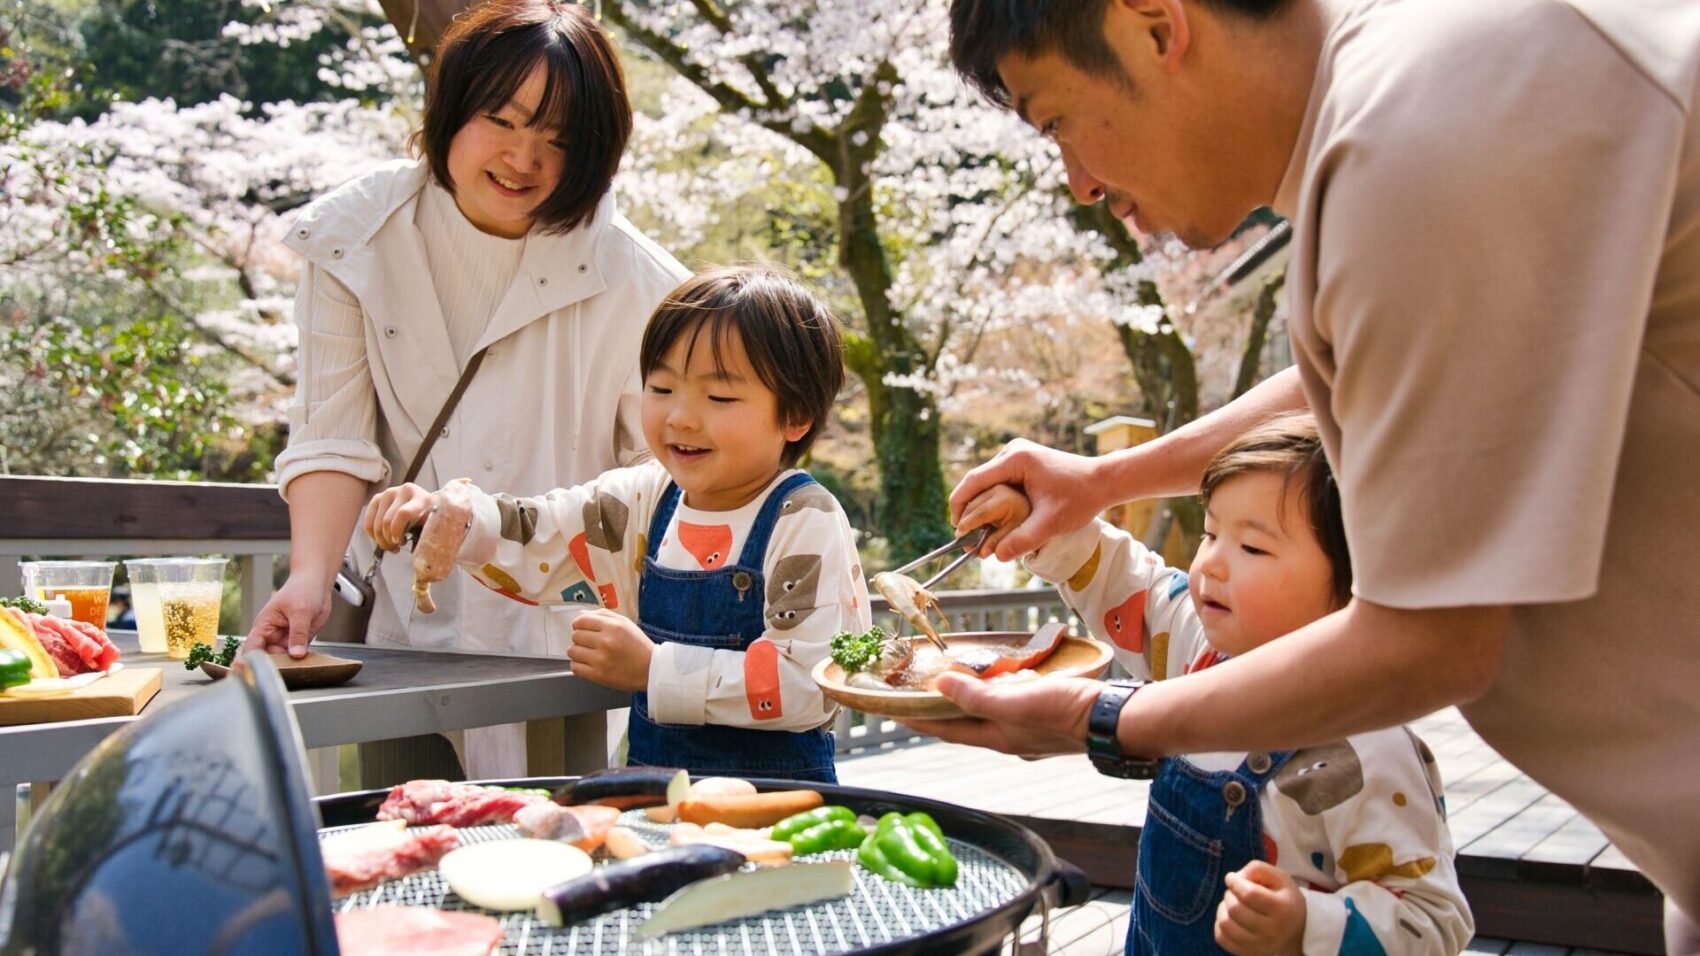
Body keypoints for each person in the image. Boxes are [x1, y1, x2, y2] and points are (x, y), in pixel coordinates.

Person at [930, 0, 1700, 948]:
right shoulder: (1416, 98)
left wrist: (1103, 719)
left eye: (1054, 119)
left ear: (1153, 23)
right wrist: (1105, 480)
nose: (1079, 183)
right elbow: (1373, 364)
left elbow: (1434, 641)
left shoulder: (1416, 132)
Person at [244, 0, 689, 778]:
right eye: (503, 120)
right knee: (396, 842)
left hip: (564, 645)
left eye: (559, 139)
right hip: (398, 638)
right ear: (451, 108)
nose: (525, 158)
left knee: (551, 866)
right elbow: (332, 433)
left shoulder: (643, 282)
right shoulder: (357, 235)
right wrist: (309, 580)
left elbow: (667, 476)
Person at [960, 414, 1471, 955]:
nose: (1210, 565)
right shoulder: (1199, 647)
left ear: (1358, 578)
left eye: (1251, 547)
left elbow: (1433, 921)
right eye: (1210, 533)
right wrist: (1040, 527)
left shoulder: (1368, 747)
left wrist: (1307, 924)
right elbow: (1124, 580)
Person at [364, 266, 869, 782]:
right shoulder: (645, 497)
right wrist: (447, 516)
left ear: (795, 417)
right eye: (662, 387)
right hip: (657, 795)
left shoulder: (804, 519)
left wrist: (654, 670)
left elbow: (812, 683)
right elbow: (539, 531)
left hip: (780, 804)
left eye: (719, 398)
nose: (681, 418)